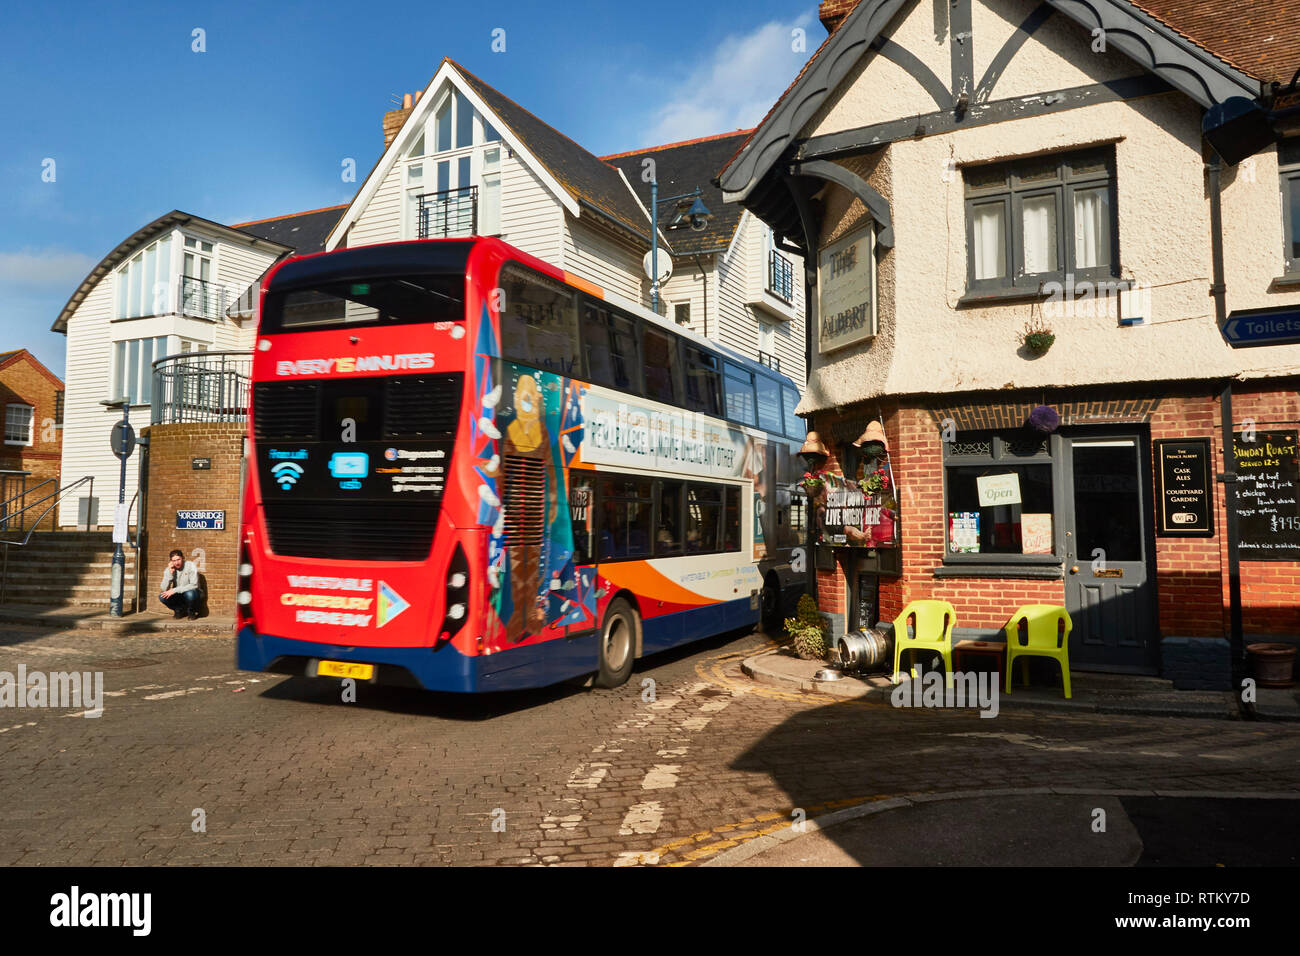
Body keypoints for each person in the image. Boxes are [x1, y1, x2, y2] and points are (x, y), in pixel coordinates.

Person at [159, 549, 201, 619]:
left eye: (178, 559)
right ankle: (178, 610)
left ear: (183, 558)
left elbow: (194, 585)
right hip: (178, 595)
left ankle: (191, 611)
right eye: (174, 561)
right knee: (162, 597)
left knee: (190, 594)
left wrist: (174, 590)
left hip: (192, 593)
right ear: (171, 561)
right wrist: (170, 573)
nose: (176, 563)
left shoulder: (190, 565)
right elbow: (164, 589)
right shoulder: (169, 569)